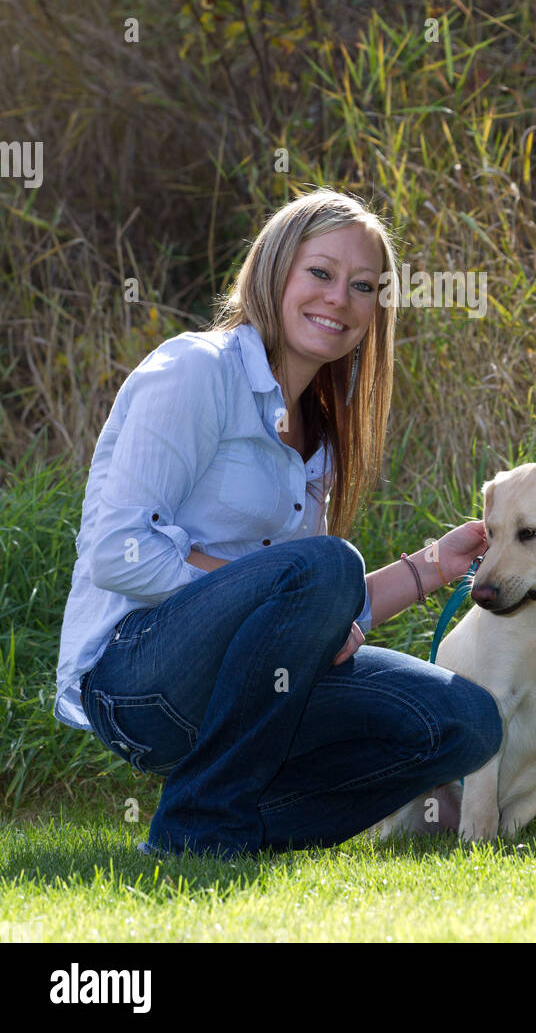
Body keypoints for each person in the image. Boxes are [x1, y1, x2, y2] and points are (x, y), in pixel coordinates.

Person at [54, 187, 502, 859]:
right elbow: (117, 552)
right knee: (327, 566)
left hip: (248, 694)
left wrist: (436, 565)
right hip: (138, 681)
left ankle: (230, 822)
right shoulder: (194, 372)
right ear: (274, 271)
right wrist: (275, 593)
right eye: (320, 273)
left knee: (465, 723)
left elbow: (308, 611)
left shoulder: (318, 433)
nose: (339, 299)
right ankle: (196, 827)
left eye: (362, 286)